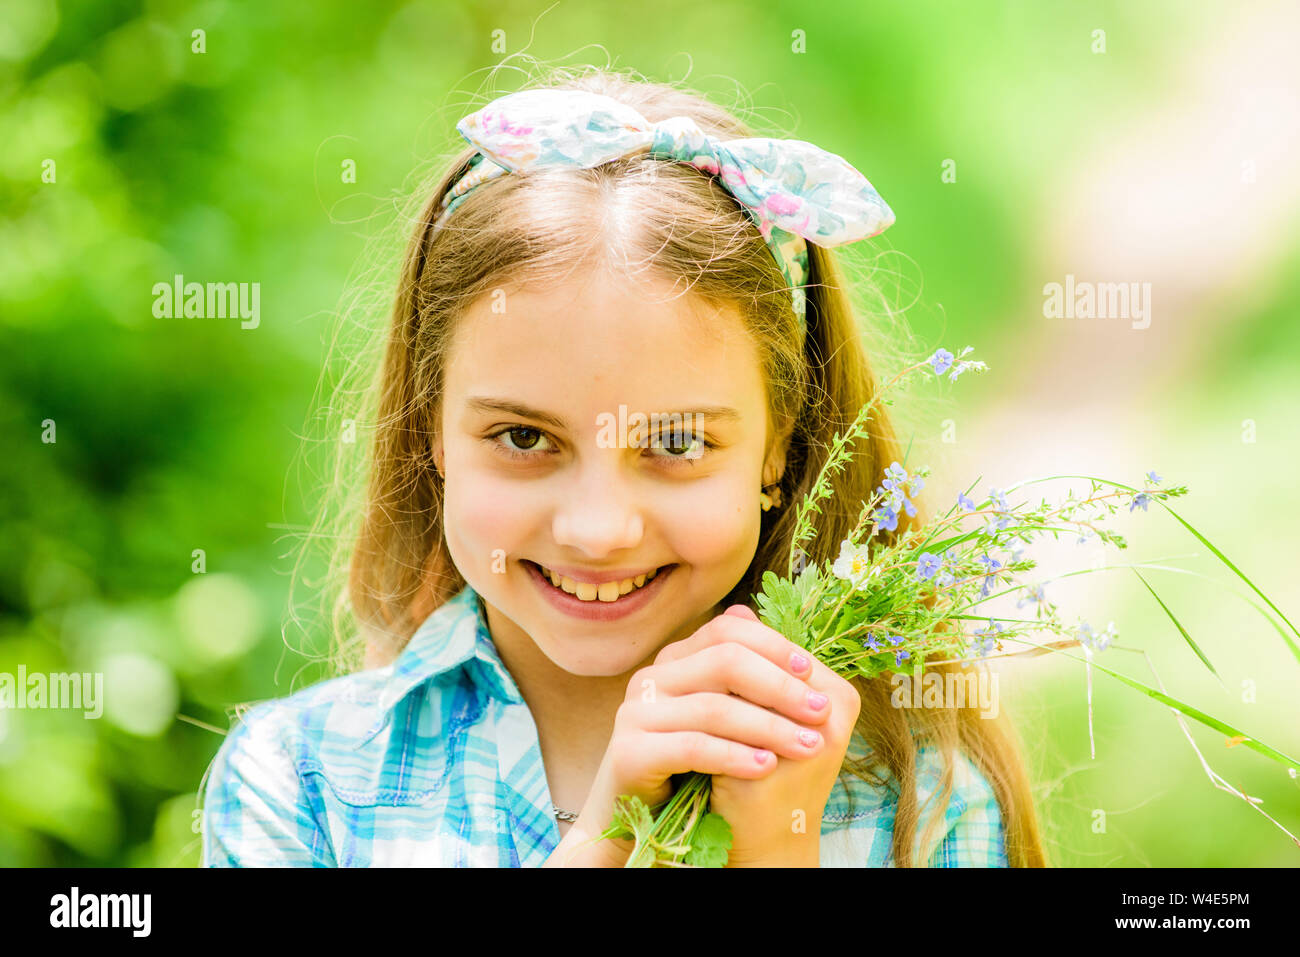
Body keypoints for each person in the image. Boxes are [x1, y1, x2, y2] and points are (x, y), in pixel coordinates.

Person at [201, 67, 1047, 868]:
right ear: (432, 433)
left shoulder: (921, 808)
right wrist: (606, 837)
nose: (599, 529)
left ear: (776, 447)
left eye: (677, 443)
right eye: (525, 439)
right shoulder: (303, 785)